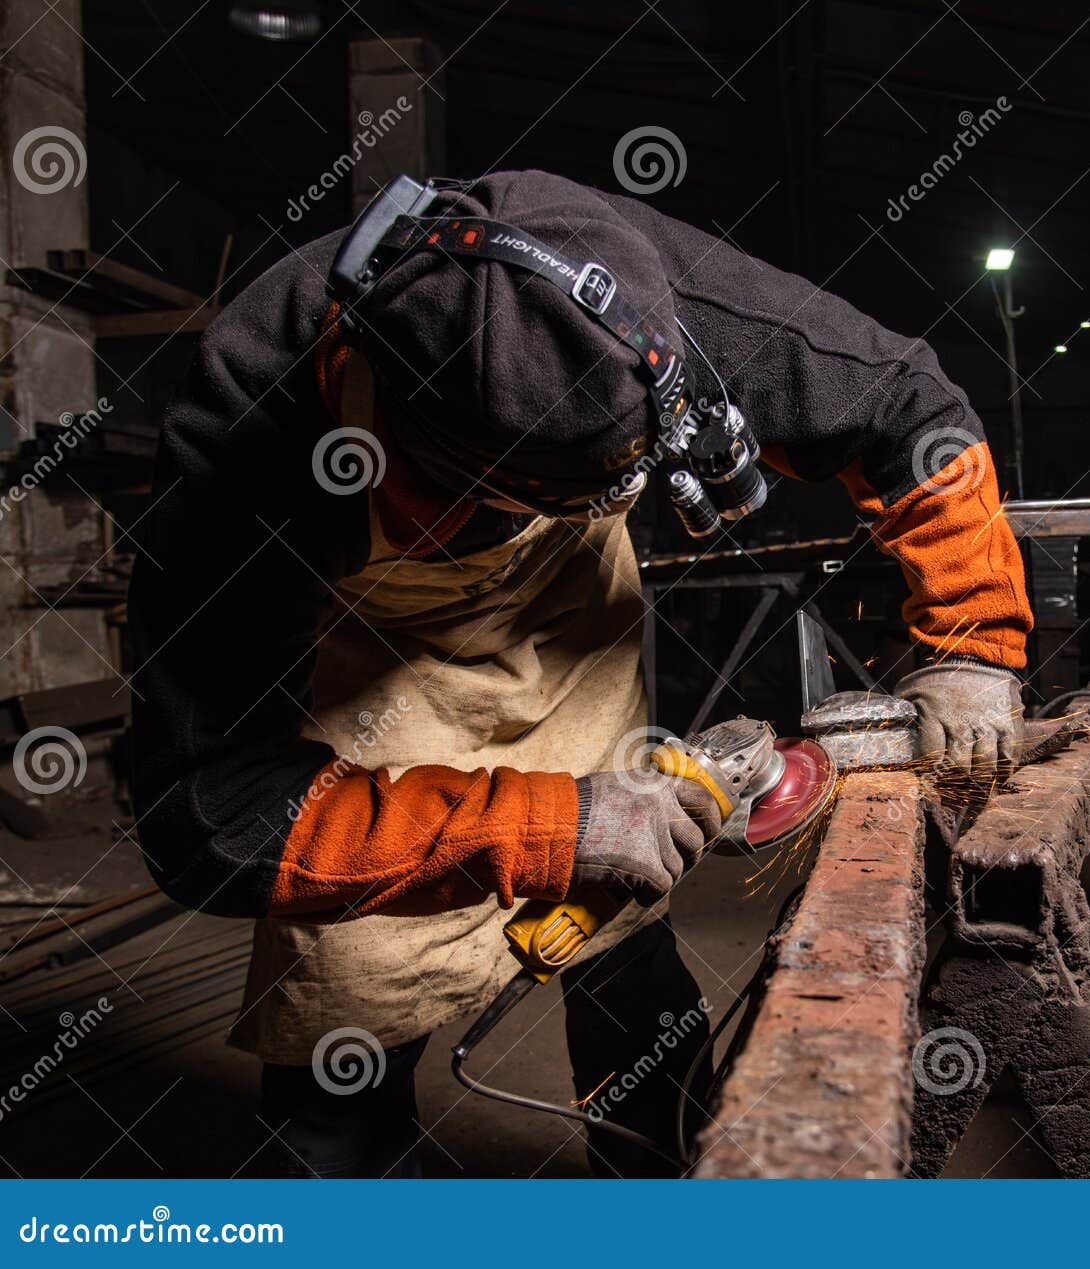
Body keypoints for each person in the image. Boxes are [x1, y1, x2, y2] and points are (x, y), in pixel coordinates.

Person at [127, 168, 1033, 1178]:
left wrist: (971, 645)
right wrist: (555, 824)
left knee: (623, 925)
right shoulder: (247, 431)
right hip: (368, 683)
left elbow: (914, 409)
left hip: (565, 633)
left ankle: (663, 1189)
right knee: (353, 1002)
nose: (466, 534)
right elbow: (204, 815)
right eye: (452, 497)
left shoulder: (661, 302)